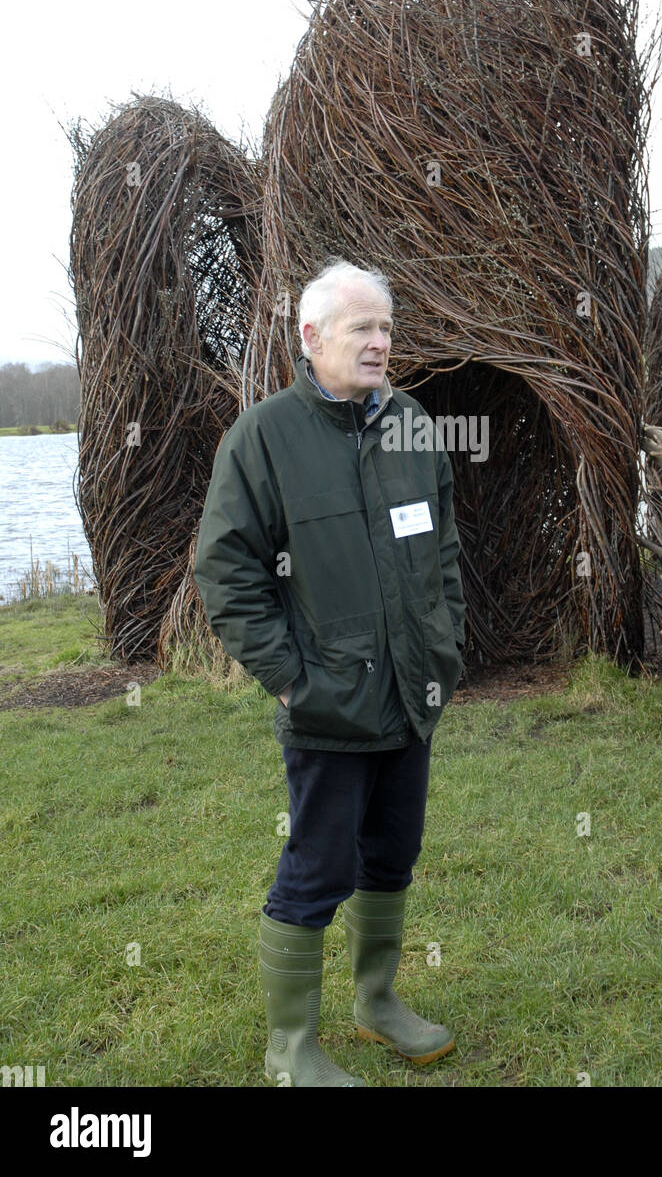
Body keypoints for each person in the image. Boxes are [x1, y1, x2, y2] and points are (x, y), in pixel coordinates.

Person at [193, 259, 466, 1087]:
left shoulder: (414, 423)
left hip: (409, 697)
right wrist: (288, 677)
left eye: (386, 327)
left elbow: (445, 551)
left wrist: (443, 647)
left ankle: (377, 1002)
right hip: (328, 704)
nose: (381, 342)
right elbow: (225, 569)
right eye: (362, 329)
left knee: (394, 853)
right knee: (318, 868)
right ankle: (291, 1047)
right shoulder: (264, 437)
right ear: (311, 339)